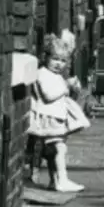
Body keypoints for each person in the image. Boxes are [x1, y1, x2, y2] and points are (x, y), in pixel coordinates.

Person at [27, 34, 91, 192]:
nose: (59, 64)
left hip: (55, 117)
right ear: (45, 57)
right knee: (60, 149)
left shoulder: (55, 75)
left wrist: (71, 88)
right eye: (55, 59)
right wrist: (65, 86)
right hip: (49, 119)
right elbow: (49, 95)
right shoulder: (42, 73)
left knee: (54, 151)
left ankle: (55, 180)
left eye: (63, 61)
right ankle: (62, 179)